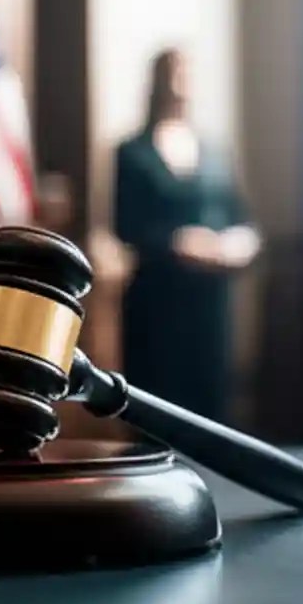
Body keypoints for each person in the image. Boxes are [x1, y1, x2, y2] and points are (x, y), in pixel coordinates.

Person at [113, 49, 260, 423]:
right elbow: (125, 225)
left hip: (209, 303)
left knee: (211, 407)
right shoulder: (134, 152)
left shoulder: (214, 150)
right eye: (174, 72)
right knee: (158, 409)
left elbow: (241, 216)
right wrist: (179, 242)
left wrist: (238, 244)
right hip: (158, 302)